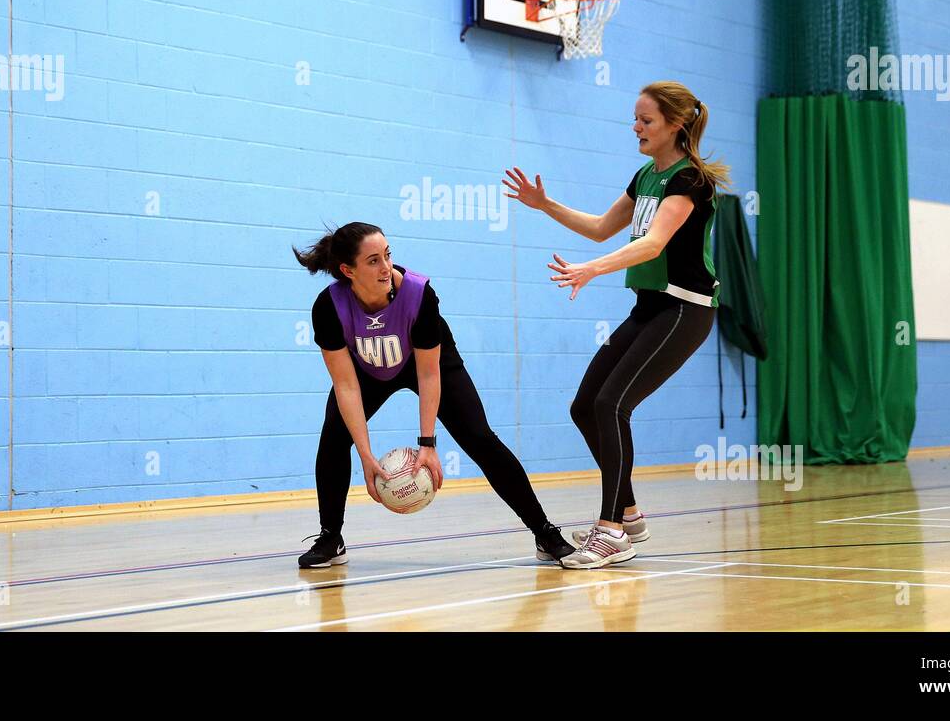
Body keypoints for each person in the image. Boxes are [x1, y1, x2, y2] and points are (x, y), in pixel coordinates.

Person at [503, 81, 730, 569]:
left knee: (612, 404)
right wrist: (546, 205)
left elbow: (652, 244)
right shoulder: (647, 175)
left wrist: (591, 269)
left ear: (676, 124)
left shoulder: (690, 181)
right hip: (650, 307)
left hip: (686, 308)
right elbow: (602, 227)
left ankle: (610, 531)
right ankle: (628, 513)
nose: (636, 128)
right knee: (585, 406)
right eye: (636, 119)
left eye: (646, 121)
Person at [292, 223, 574, 568]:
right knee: (334, 438)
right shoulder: (329, 307)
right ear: (347, 271)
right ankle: (330, 537)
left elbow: (428, 373)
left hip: (424, 363)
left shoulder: (418, 294)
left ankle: (544, 532)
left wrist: (427, 443)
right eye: (373, 261)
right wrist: (366, 457)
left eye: (388, 255)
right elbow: (346, 386)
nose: (386, 268)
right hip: (366, 371)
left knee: (480, 438)